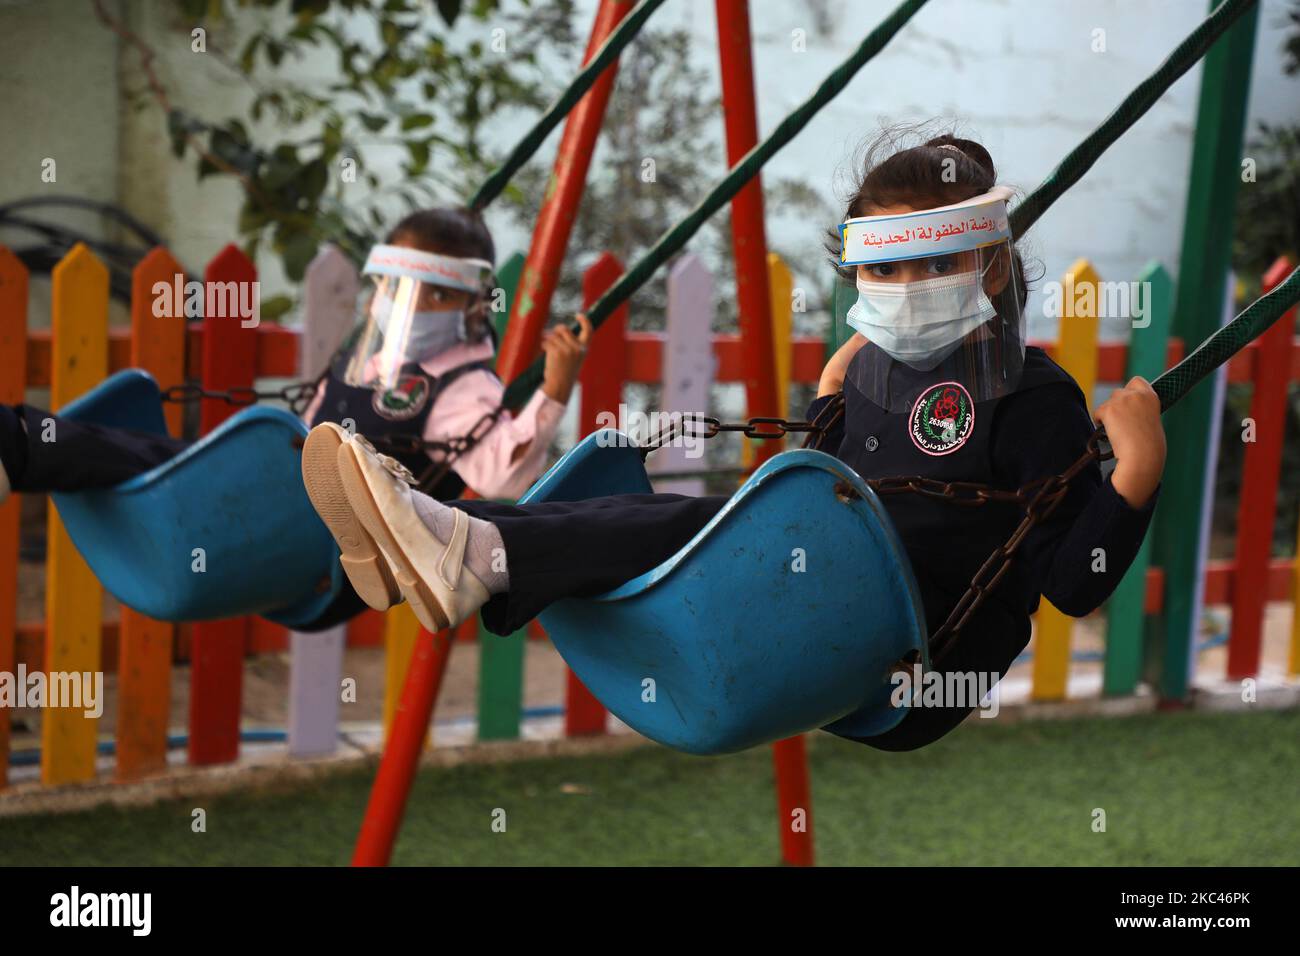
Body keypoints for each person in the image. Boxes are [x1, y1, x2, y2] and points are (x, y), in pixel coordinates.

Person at [302, 133, 1166, 751]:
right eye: (883, 269)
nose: (904, 290)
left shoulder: (1035, 395)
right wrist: (830, 405)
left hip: (924, 655)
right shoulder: (870, 373)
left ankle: (472, 546)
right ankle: (468, 543)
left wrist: (1135, 475)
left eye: (931, 265)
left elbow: (1070, 587)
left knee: (698, 518)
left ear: (989, 266)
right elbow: (820, 490)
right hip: (827, 611)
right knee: (682, 517)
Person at [0, 206, 591, 630]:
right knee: (157, 455)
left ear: (471, 305)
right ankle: (24, 447)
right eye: (398, 286)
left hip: (328, 550)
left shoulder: (463, 387)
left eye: (435, 294)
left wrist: (553, 390)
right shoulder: (368, 361)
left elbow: (504, 479)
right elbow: (308, 436)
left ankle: (20, 445)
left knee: (167, 462)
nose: (411, 305)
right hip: (286, 513)